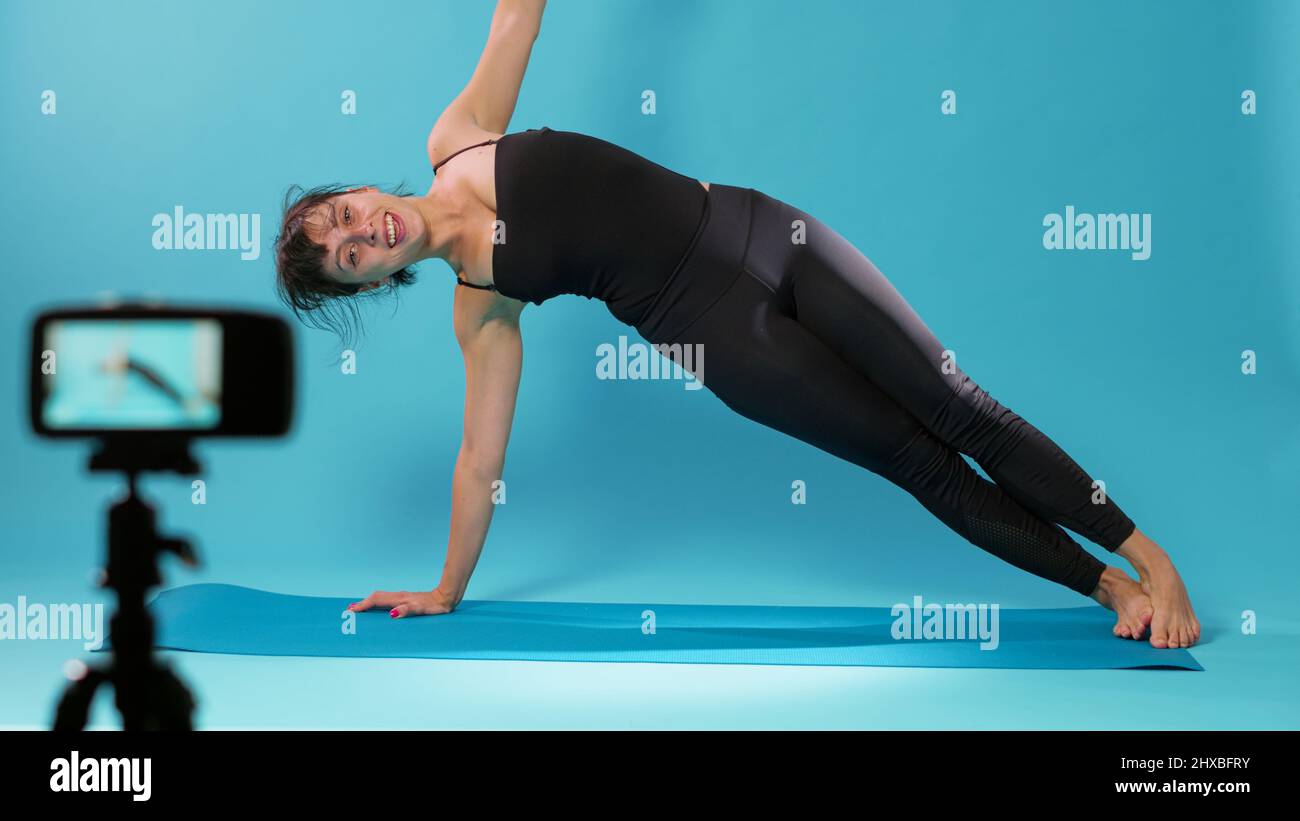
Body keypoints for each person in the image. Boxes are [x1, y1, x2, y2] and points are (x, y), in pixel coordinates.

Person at [273, 0, 1199, 649]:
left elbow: (518, 13)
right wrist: (444, 590)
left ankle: (1152, 560)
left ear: (358, 191)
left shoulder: (459, 137)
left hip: (770, 230)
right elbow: (479, 463)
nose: (363, 233)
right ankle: (1109, 588)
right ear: (373, 284)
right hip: (724, 339)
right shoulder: (482, 305)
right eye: (350, 257)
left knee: (956, 401)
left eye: (345, 217)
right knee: (921, 463)